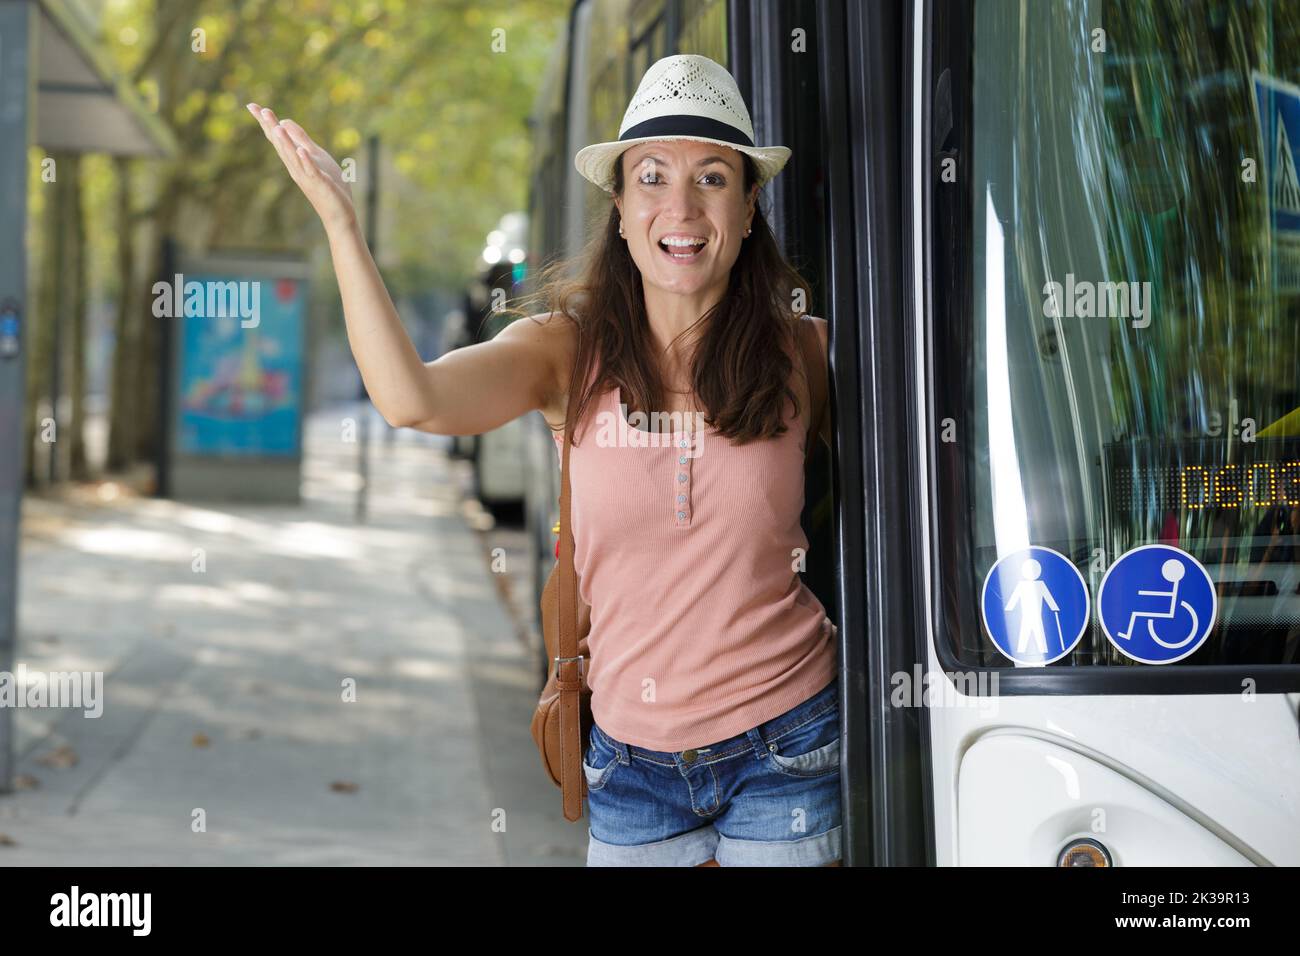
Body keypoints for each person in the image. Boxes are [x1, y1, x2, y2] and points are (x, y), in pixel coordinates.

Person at [246, 52, 839, 867]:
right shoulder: (564, 353)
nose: (682, 206)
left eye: (712, 178)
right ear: (622, 210)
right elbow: (411, 398)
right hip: (631, 761)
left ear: (746, 211)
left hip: (787, 741)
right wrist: (343, 227)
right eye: (653, 177)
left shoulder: (804, 356)